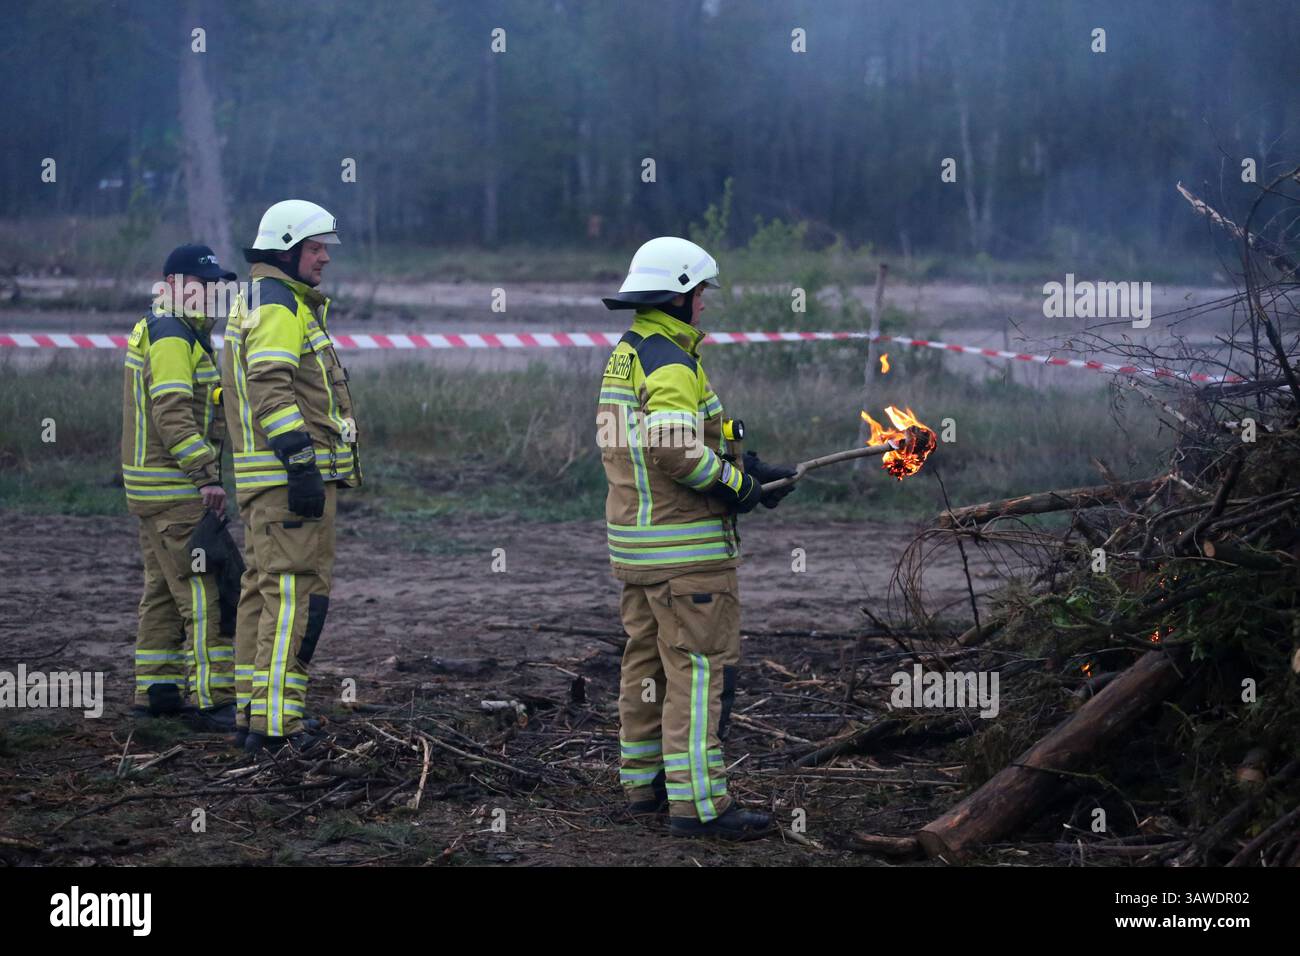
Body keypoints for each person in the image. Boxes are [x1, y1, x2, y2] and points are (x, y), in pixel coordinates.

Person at [597, 236, 797, 839]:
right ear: (681, 294)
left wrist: (749, 470)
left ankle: (644, 786)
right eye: (701, 291)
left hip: (637, 547)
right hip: (686, 556)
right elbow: (673, 448)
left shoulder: (629, 353)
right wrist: (736, 489)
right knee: (697, 673)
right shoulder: (672, 362)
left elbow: (664, 440)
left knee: (645, 666)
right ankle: (700, 807)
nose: (705, 303)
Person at [221, 200, 361, 754]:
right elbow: (270, 387)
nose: (325, 257)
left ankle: (254, 712)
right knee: (292, 596)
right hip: (287, 483)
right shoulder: (278, 304)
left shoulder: (257, 298)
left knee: (262, 590)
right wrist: (301, 461)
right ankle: (277, 724)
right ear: (286, 247)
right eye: (315, 247)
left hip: (265, 485)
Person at [124, 244, 237, 729]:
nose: (210, 292)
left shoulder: (171, 329)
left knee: (163, 592)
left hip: (153, 491)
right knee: (202, 591)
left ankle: (160, 691)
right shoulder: (172, 335)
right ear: (172, 284)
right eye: (199, 283)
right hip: (175, 491)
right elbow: (172, 413)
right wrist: (206, 478)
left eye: (213, 284)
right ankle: (215, 700)